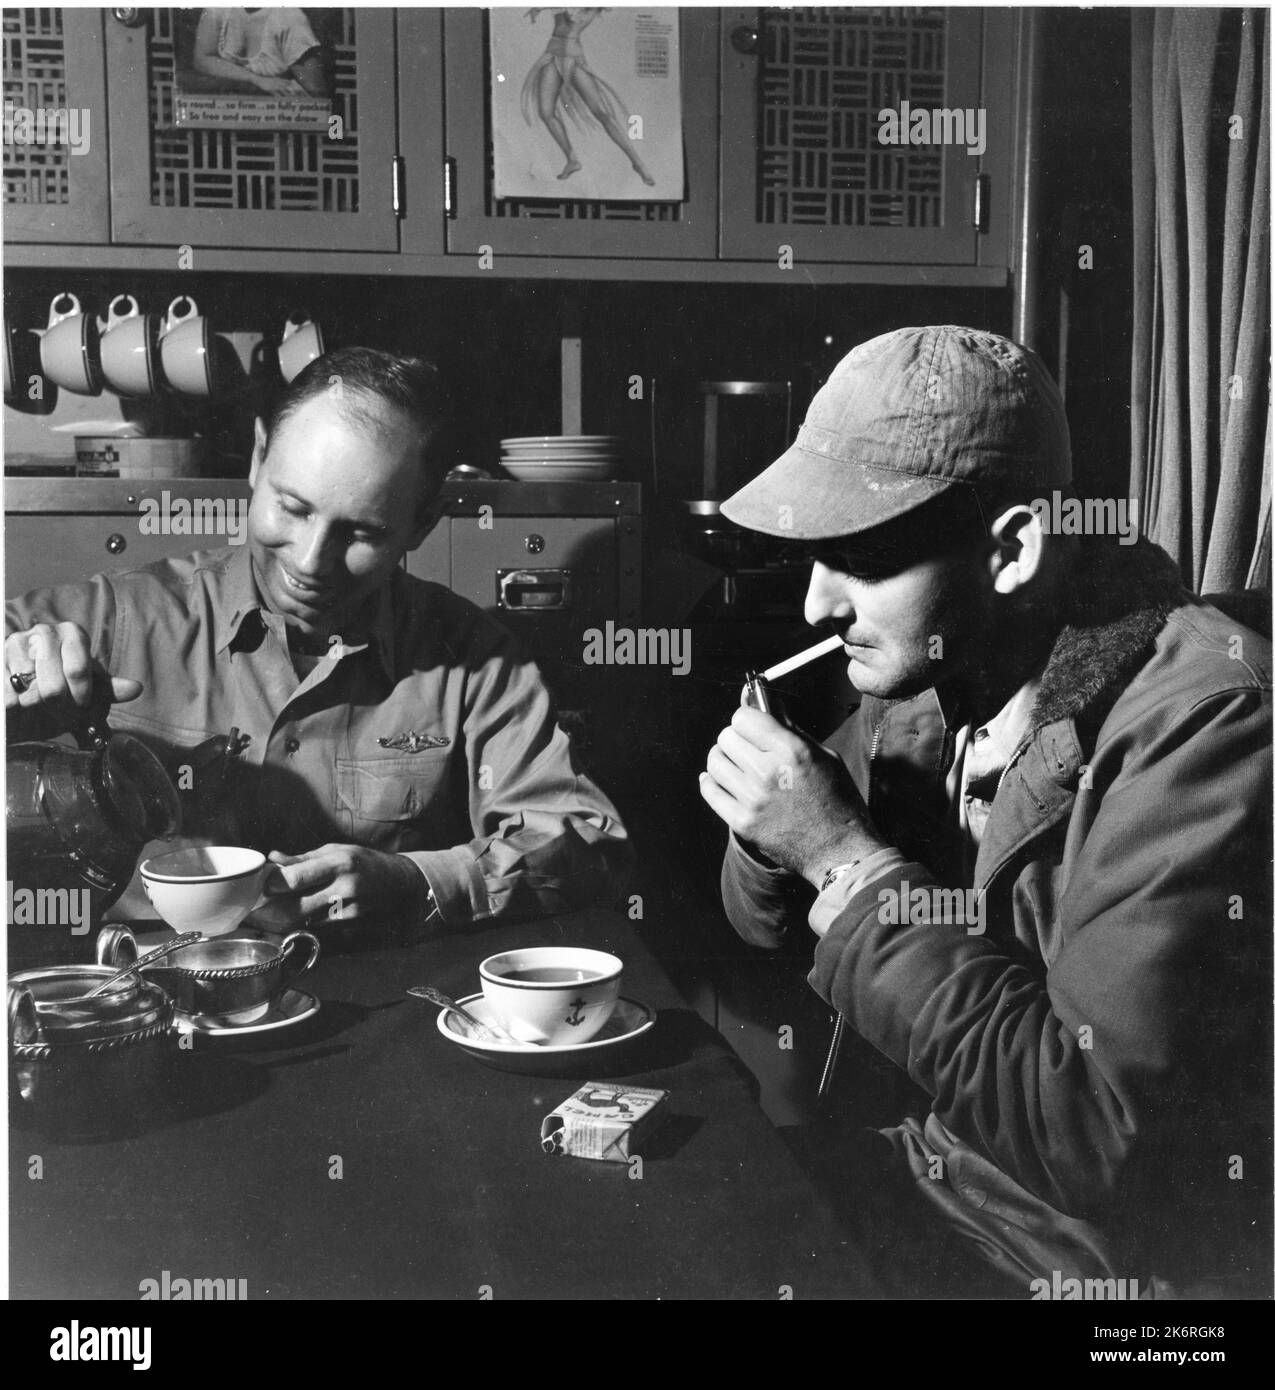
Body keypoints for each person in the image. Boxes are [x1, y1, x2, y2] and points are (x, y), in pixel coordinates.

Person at [699, 325, 1271, 1297]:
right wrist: (774, 827)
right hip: (936, 1186)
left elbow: (1094, 1132)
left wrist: (841, 856)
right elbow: (762, 929)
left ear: (1010, 551)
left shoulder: (1208, 724)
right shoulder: (933, 671)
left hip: (1103, 1271)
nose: (814, 608)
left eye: (859, 561)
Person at [6, 348, 631, 936]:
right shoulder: (122, 614)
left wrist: (417, 883)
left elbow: (586, 846)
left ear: (421, 524)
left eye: (360, 532)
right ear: (256, 459)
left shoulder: (475, 659)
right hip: (147, 993)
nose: (309, 562)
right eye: (292, 507)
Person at [522, 8, 655, 185]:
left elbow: (575, 20)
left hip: (572, 54)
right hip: (553, 52)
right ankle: (572, 159)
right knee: (546, 112)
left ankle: (638, 163)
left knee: (602, 113)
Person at [191, 8, 330, 97]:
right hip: (223, 118)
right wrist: (257, 79)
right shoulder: (218, 8)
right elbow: (202, 59)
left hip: (277, 122)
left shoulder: (290, 18)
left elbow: (316, 92)